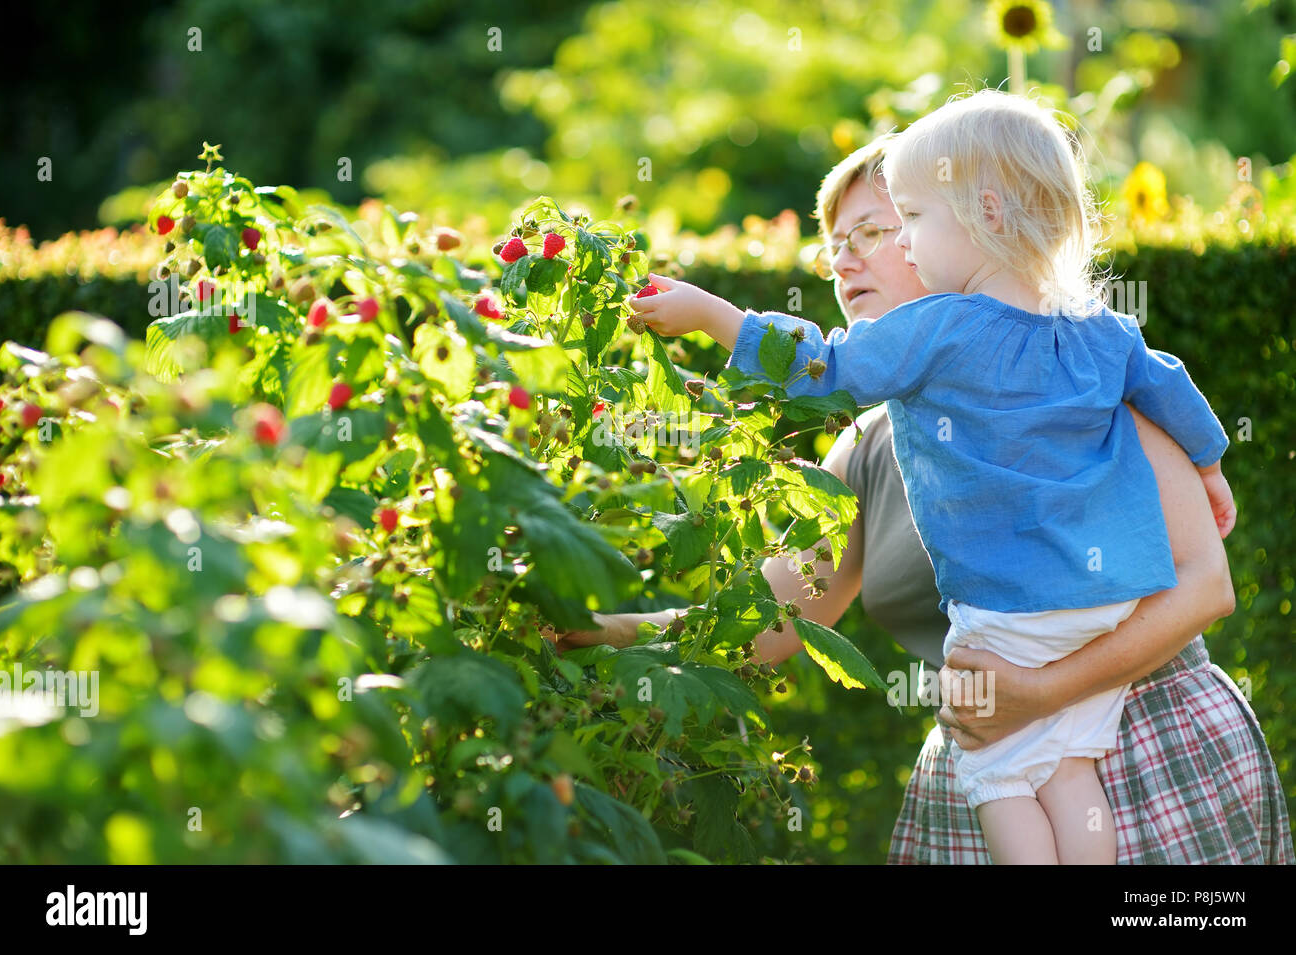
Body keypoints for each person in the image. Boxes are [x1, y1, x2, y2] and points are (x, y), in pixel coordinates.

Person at [553, 123, 1295, 864]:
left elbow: (1207, 587)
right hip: (993, 763)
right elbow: (773, 623)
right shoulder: (869, 449)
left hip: (1148, 746)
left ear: (982, 224)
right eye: (834, 242)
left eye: (883, 226)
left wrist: (1043, 690)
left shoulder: (1081, 387)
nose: (848, 259)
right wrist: (602, 630)